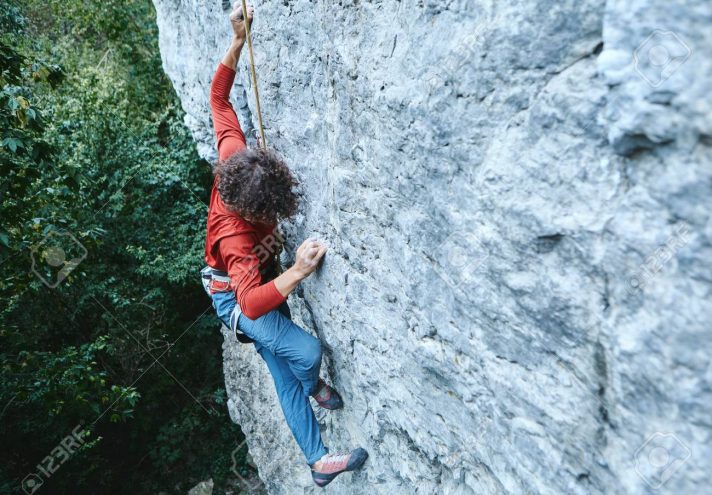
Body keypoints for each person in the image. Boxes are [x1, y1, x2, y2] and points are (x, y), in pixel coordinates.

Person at [200, 2, 368, 488]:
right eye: (266, 215)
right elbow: (252, 304)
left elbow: (218, 100)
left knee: (283, 375)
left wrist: (236, 42)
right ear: (250, 214)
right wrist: (295, 270)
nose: (273, 217)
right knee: (306, 352)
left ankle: (317, 462)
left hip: (254, 279)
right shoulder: (235, 238)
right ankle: (314, 384)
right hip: (236, 295)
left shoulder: (235, 158)